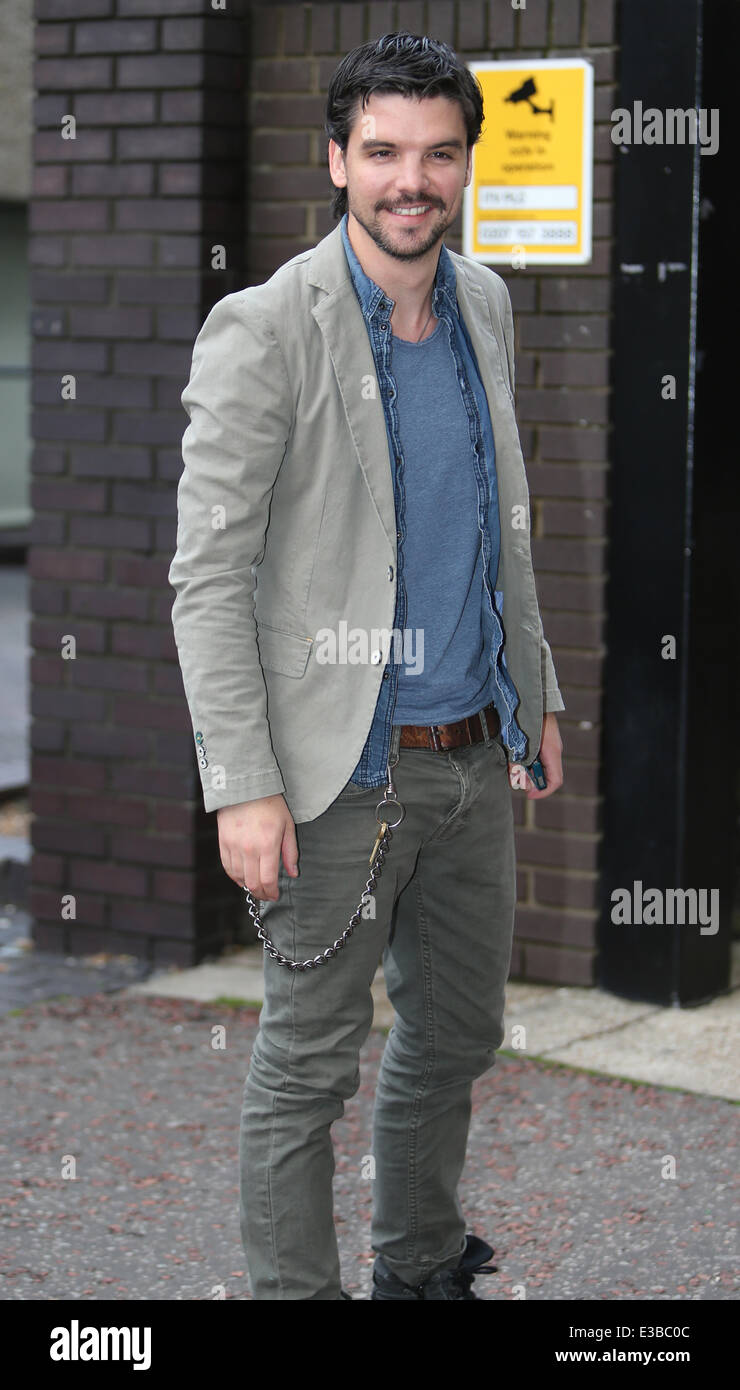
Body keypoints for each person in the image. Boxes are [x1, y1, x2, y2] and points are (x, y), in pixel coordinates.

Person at [168, 30, 565, 1301]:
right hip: (332, 776)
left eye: (437, 154)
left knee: (453, 1037)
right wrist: (241, 783)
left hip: (466, 760)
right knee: (306, 1065)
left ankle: (418, 1262)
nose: (412, 179)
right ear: (336, 159)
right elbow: (207, 578)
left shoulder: (483, 302)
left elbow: (503, 518)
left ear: (463, 167)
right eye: (383, 151)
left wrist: (534, 691)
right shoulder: (264, 328)